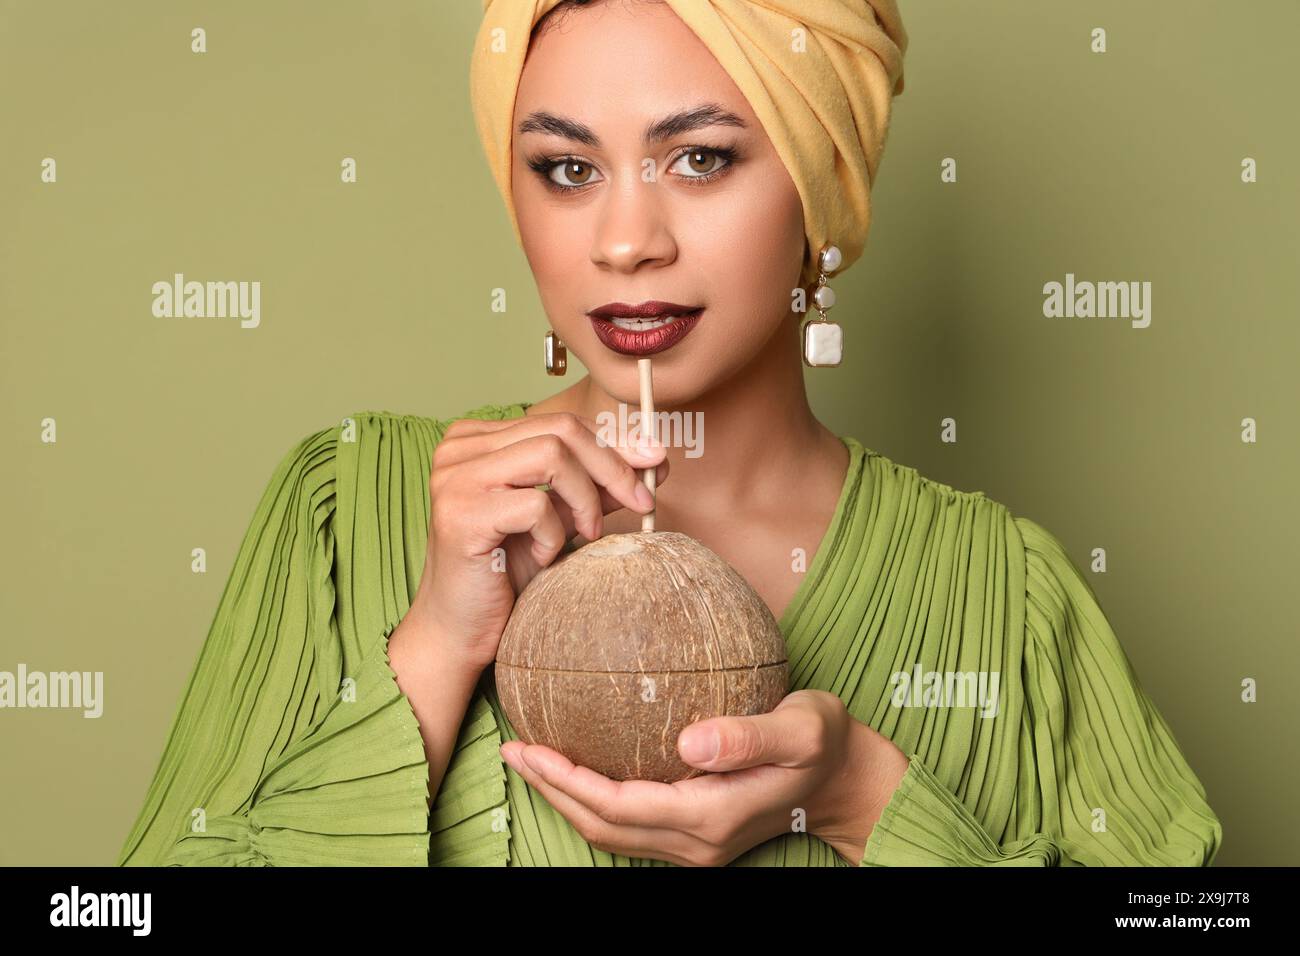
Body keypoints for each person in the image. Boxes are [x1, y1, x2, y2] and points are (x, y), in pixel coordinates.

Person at [116, 0, 1222, 867]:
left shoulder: (1001, 589)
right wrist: (435, 649)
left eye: (700, 158)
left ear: (819, 194)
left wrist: (861, 802)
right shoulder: (347, 507)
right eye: (566, 169)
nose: (625, 239)